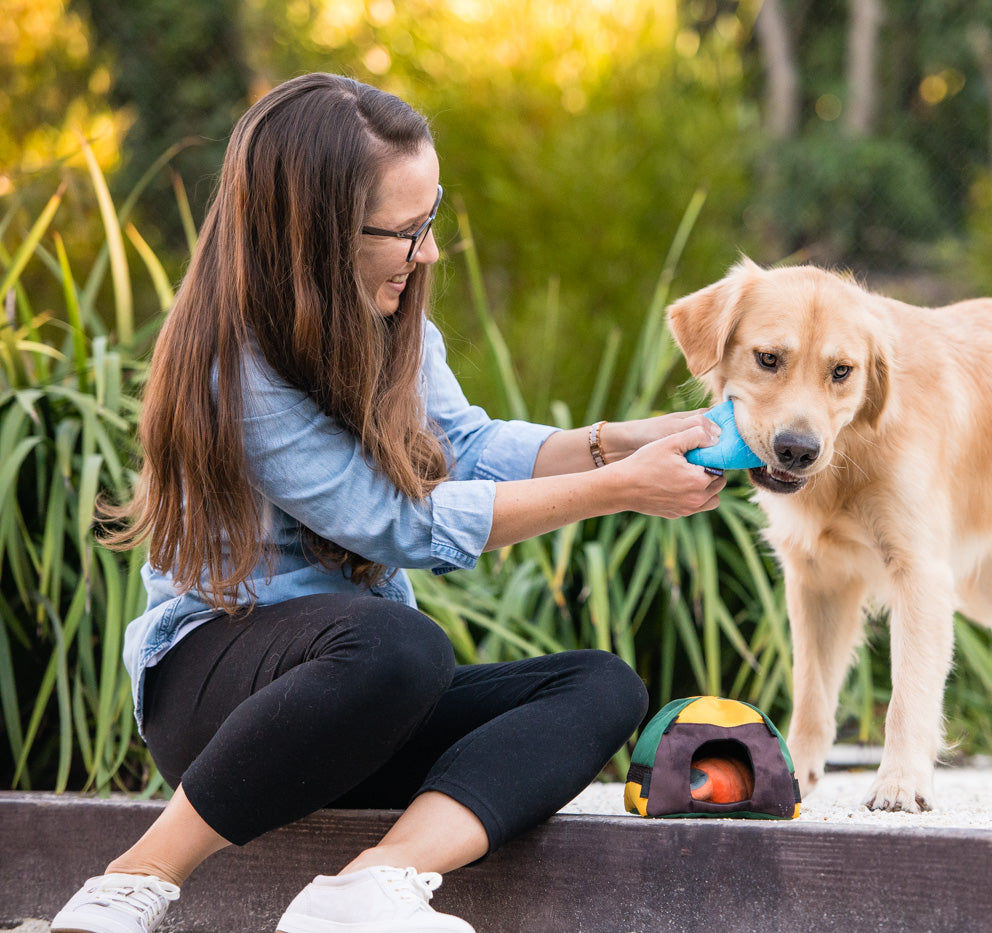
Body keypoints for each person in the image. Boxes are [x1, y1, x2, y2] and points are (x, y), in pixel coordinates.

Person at [50, 72, 725, 933]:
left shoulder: (392, 328)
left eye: (430, 219)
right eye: (406, 232)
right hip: (219, 699)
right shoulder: (238, 369)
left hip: (360, 703)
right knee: (400, 645)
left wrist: (618, 440)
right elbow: (400, 524)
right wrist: (618, 489)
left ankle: (370, 886)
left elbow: (465, 447)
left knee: (599, 685)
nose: (429, 253)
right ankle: (133, 878)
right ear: (314, 234)